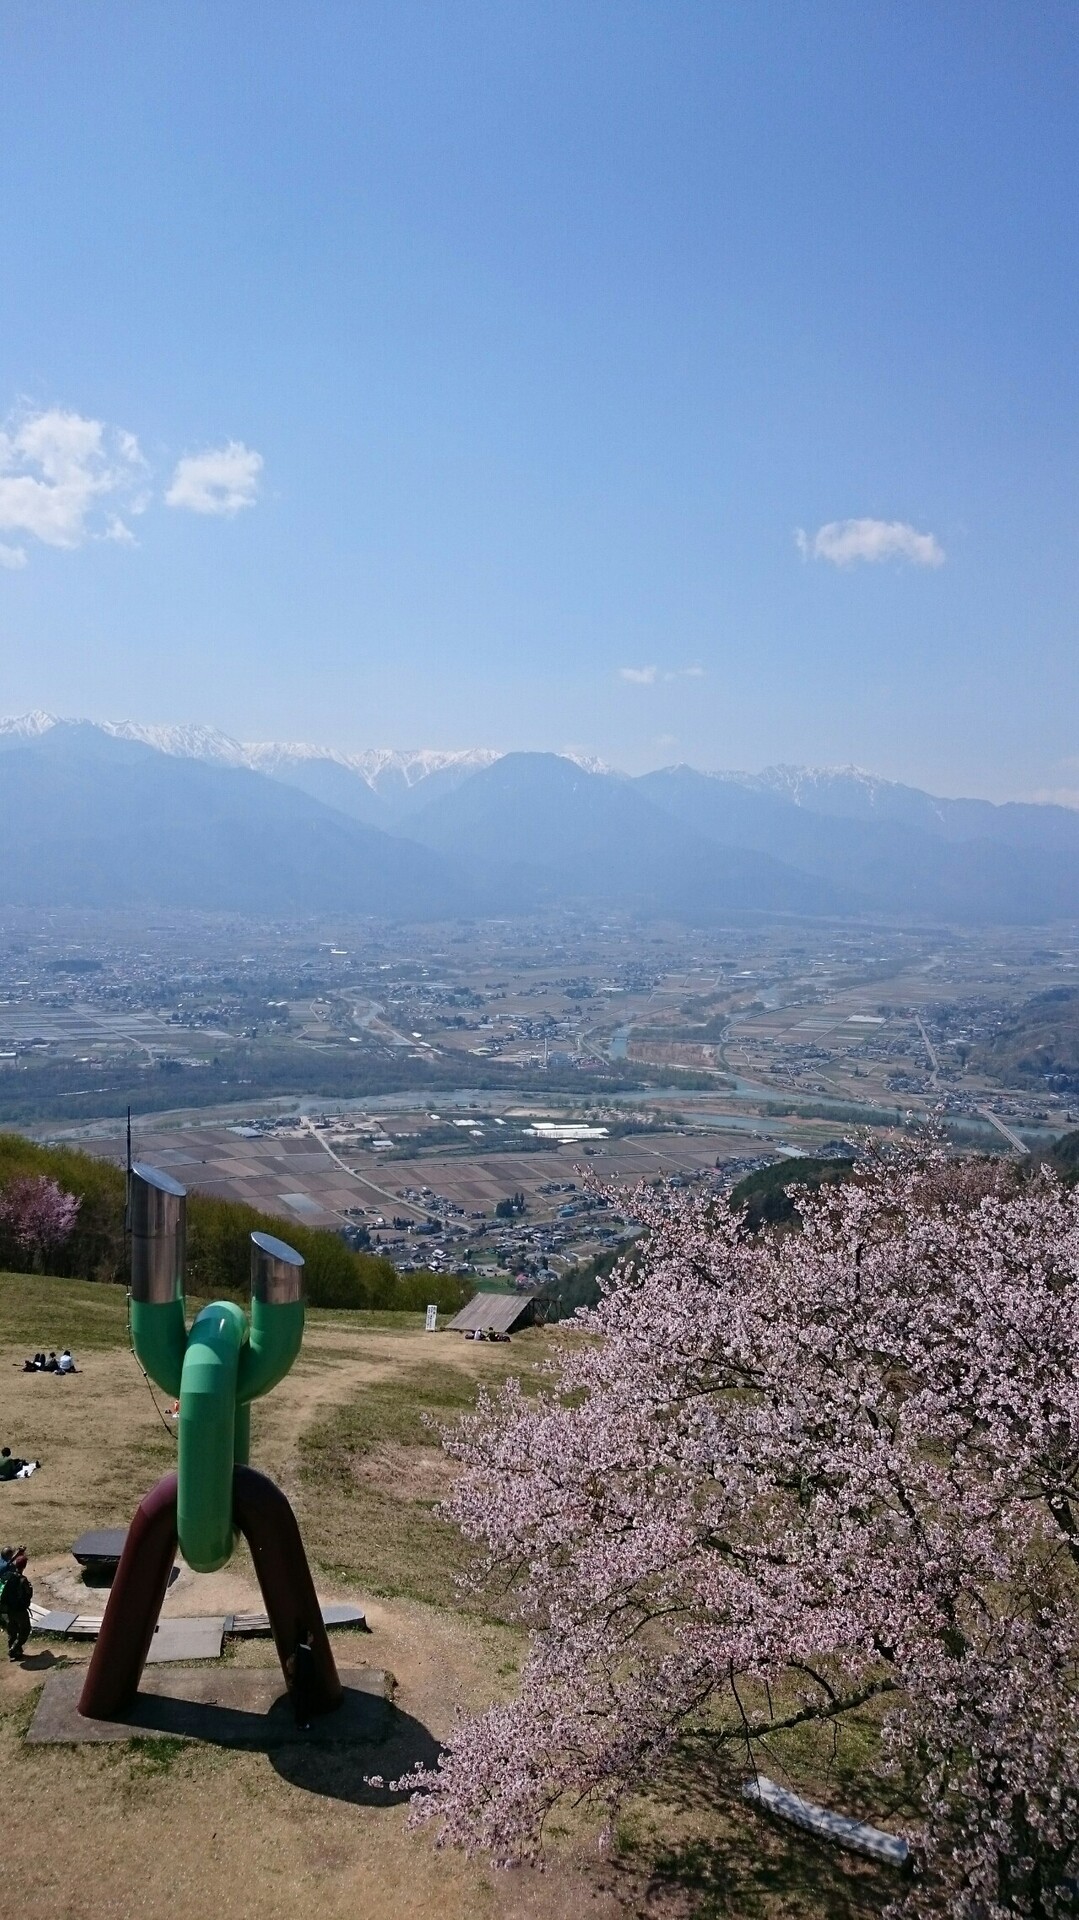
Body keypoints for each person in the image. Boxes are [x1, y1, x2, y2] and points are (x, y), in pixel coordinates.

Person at [0, 1549, 32, 1660]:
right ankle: (14, 1649)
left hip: (8, 1609)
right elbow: (28, 1595)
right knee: (25, 1629)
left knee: (12, 1630)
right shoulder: (23, 1580)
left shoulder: (7, 1576)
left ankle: (16, 1651)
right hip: (19, 1610)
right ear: (24, 1566)